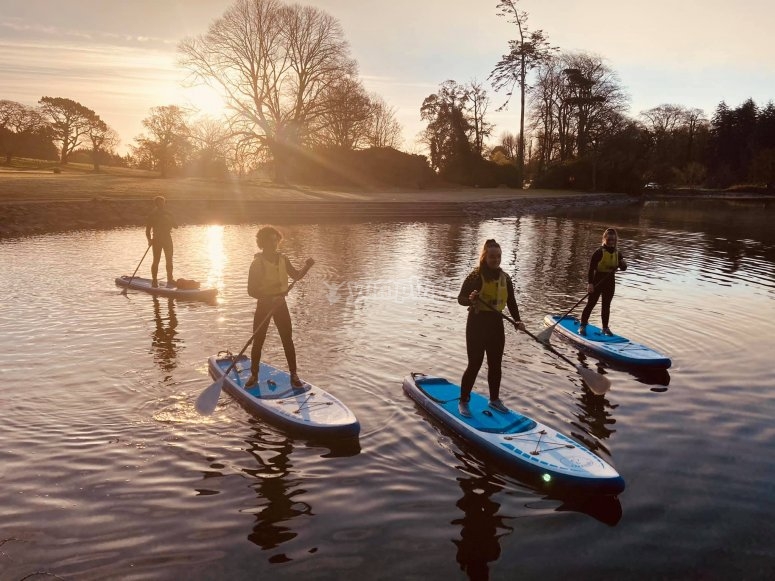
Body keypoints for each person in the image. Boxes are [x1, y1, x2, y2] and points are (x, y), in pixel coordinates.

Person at [457, 239, 524, 418]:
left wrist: (518, 320)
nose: (496, 260)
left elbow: (511, 302)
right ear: (485, 257)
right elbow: (460, 298)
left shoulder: (505, 278)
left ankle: (494, 400)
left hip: (496, 325)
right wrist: (470, 299)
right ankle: (463, 400)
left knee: (495, 364)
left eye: (498, 256)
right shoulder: (475, 276)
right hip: (477, 324)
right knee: (475, 364)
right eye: (492, 257)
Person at [246, 226, 314, 388]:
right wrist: (270, 299)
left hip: (281, 306)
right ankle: (254, 375)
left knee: (287, 339)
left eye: (276, 240)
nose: (274, 243)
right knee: (258, 340)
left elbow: (296, 276)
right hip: (264, 306)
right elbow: (251, 291)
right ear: (262, 243)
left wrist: (307, 267)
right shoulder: (257, 264)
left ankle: (294, 375)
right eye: (270, 240)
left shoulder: (283, 259)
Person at [579, 227, 628, 337]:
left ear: (615, 240)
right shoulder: (598, 252)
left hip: (610, 282)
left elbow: (623, 268)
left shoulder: (618, 253)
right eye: (609, 239)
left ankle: (605, 328)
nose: (610, 242)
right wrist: (590, 284)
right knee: (591, 304)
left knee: (606, 306)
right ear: (604, 239)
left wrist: (623, 265)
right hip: (597, 281)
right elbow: (591, 269)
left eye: (613, 240)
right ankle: (582, 325)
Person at [145, 196, 176, 288]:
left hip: (167, 239)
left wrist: (170, 220)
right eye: (160, 203)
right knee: (156, 260)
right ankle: (154, 280)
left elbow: (176, 226)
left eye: (163, 203)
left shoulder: (168, 213)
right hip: (157, 240)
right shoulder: (152, 215)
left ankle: (170, 279)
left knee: (169, 260)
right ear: (156, 204)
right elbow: (147, 230)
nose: (162, 205)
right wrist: (149, 240)